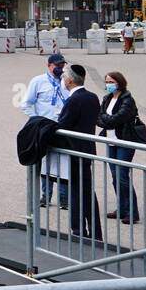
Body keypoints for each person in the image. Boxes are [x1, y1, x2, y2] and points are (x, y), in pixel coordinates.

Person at [56, 64, 102, 241]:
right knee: (85, 191)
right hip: (86, 150)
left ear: (69, 80)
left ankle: (78, 230)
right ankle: (92, 231)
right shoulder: (92, 97)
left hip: (74, 151)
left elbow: (64, 125)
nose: (62, 80)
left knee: (77, 191)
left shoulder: (74, 100)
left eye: (63, 77)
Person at [22, 54, 72, 210]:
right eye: (57, 65)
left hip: (62, 127)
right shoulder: (38, 82)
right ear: (49, 65)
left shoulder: (67, 81)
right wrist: (36, 120)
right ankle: (46, 195)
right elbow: (27, 103)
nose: (60, 68)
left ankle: (64, 198)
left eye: (62, 65)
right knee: (45, 162)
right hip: (44, 127)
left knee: (64, 162)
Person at [99, 70, 142, 224]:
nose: (109, 84)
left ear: (119, 82)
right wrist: (107, 119)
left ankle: (132, 212)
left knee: (122, 177)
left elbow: (119, 118)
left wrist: (107, 119)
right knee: (115, 177)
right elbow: (99, 118)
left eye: (111, 81)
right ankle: (122, 208)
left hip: (124, 141)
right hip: (111, 141)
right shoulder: (106, 98)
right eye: (107, 81)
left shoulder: (127, 99)